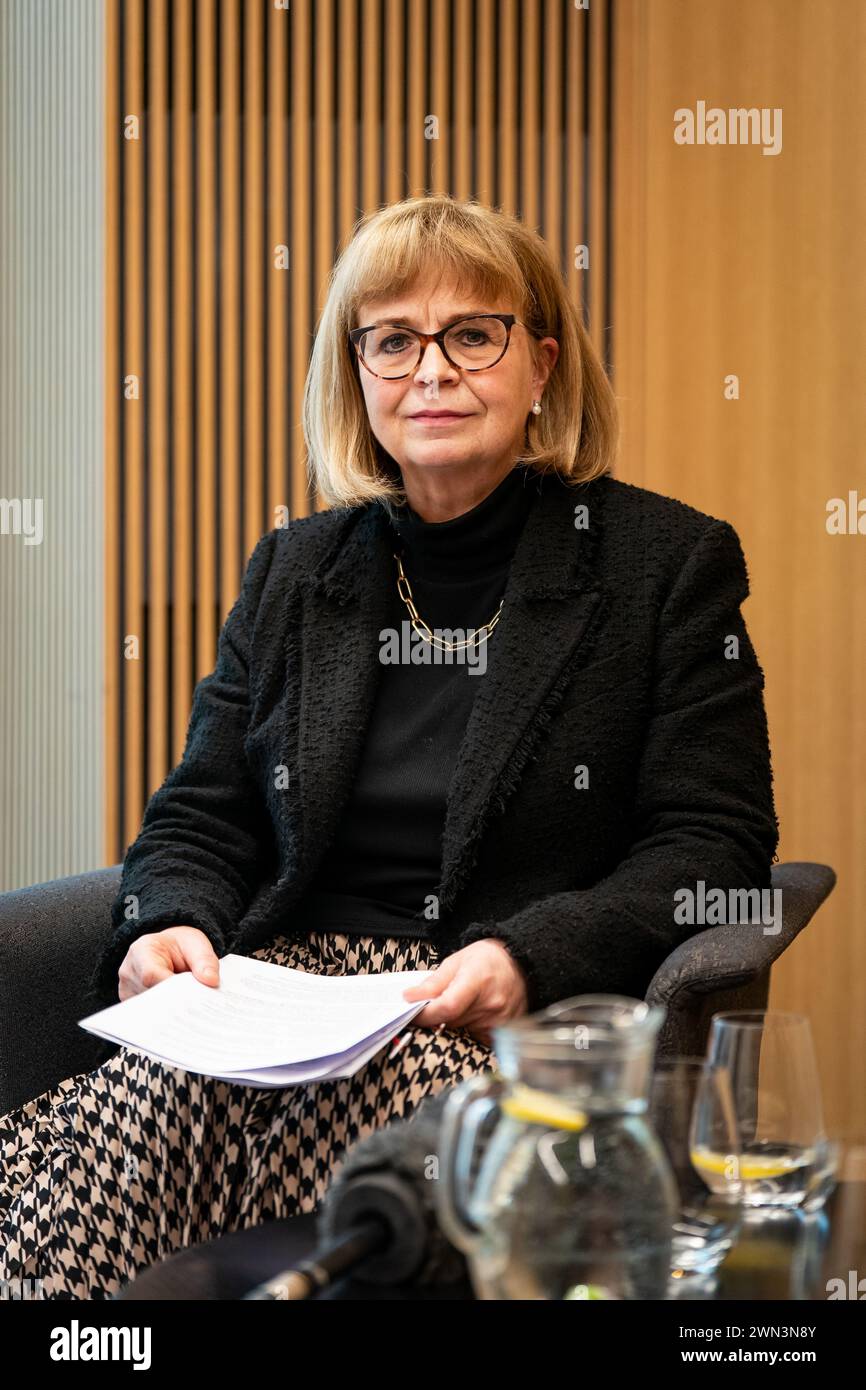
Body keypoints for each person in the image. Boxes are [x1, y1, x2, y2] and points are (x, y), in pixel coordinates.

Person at [0, 194, 778, 1299]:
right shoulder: (297, 570)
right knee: (84, 1181)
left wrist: (528, 956)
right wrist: (167, 917)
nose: (432, 371)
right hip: (269, 1010)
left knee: (388, 1154)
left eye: (473, 333)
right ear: (355, 374)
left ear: (540, 362)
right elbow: (201, 809)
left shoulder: (662, 565)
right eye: (393, 339)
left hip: (472, 1029)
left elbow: (717, 846)